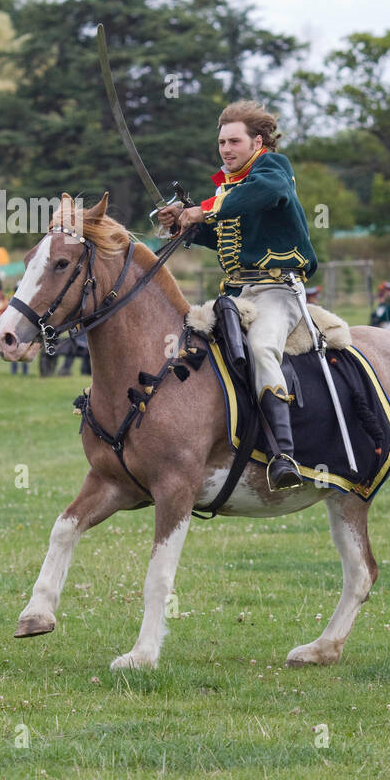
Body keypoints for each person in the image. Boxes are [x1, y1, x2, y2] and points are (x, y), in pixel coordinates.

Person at [156, 100, 317, 490]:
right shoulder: (232, 186)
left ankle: (284, 454)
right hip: (234, 293)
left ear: (257, 141)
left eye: (233, 141)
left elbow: (263, 194)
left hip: (278, 290)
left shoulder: (273, 169)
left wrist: (204, 209)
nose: (226, 149)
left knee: (261, 348)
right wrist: (185, 222)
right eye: (221, 143)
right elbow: (225, 233)